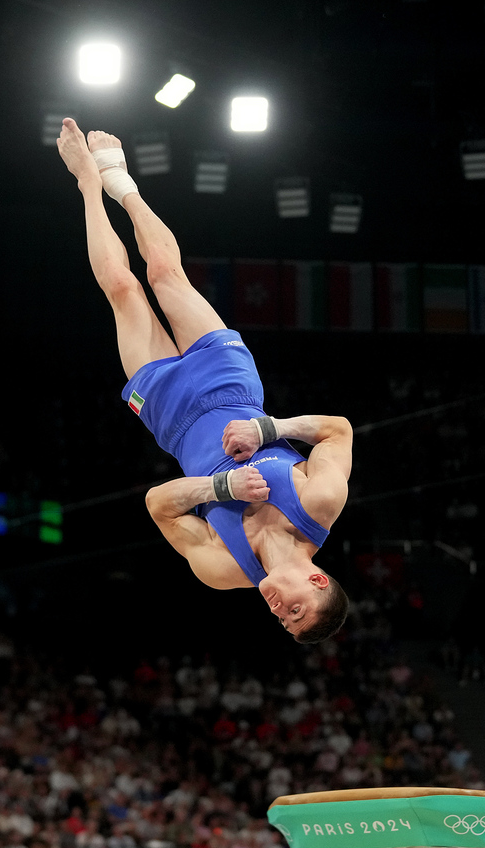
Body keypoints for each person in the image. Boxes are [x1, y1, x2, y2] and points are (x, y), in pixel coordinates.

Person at [55, 118, 351, 643]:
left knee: (124, 290)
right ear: (317, 579)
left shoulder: (225, 571)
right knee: (167, 275)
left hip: (170, 416)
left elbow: (158, 505)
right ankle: (120, 179)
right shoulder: (318, 505)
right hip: (231, 388)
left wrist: (221, 486)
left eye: (283, 622)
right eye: (297, 610)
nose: (281, 611)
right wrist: (268, 432)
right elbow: (338, 431)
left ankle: (86, 182)